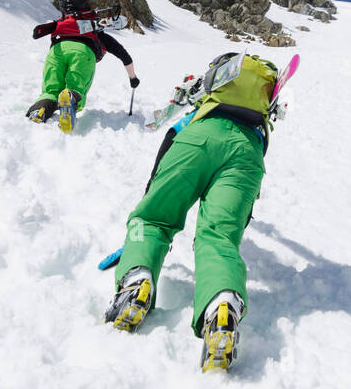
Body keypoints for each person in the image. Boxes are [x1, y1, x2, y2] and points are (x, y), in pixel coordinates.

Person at [104, 52, 279, 372]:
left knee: (153, 219)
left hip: (197, 140)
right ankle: (222, 305)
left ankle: (137, 277)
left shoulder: (205, 94)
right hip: (247, 154)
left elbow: (172, 136)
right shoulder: (263, 106)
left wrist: (150, 197)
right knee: (220, 239)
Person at [26, 0, 139, 132]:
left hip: (56, 52)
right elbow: (124, 56)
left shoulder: (59, 26)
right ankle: (70, 99)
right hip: (82, 53)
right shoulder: (96, 31)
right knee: (75, 88)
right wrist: (133, 78)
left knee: (50, 90)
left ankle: (40, 109)